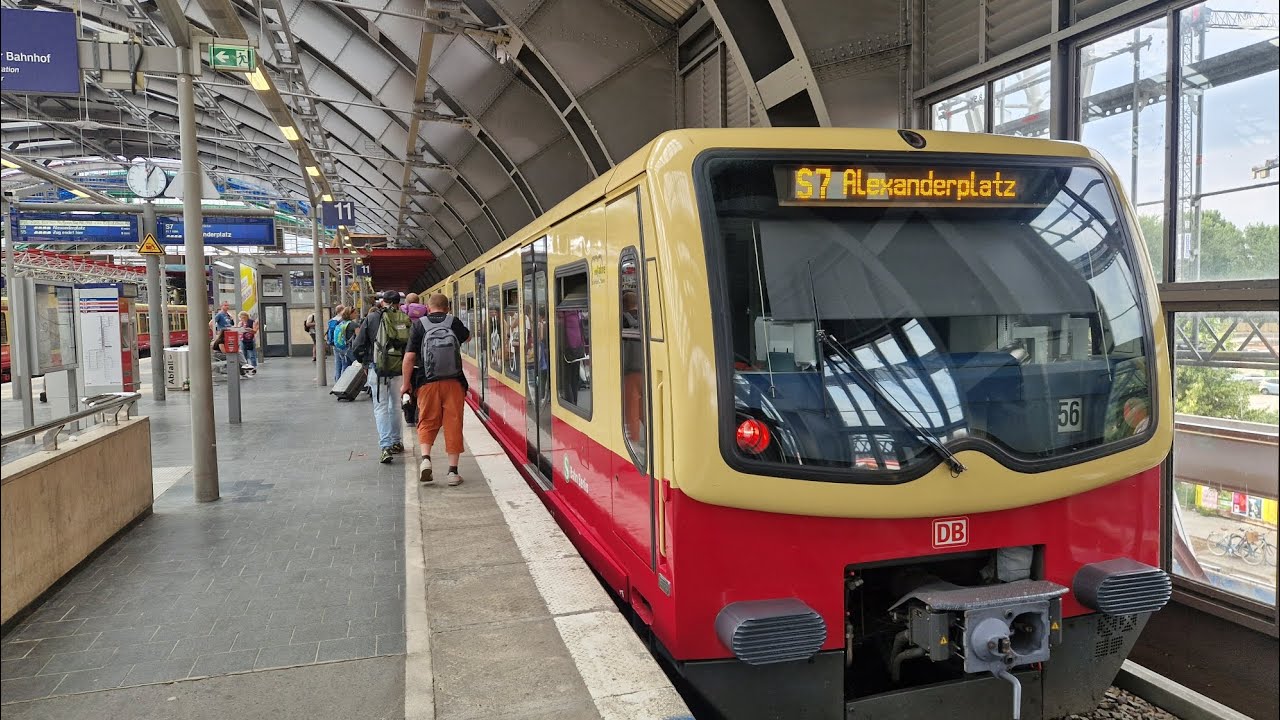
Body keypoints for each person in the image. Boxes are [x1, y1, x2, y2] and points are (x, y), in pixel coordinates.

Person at [401, 293, 470, 486]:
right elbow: (468, 337)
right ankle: (453, 472)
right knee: (453, 423)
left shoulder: (419, 325)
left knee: (427, 420)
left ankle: (425, 459)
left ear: (428, 308)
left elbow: (409, 358)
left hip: (426, 382)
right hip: (454, 382)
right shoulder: (453, 321)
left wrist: (406, 384)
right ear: (447, 308)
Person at [352, 291, 411, 463]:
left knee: (381, 407)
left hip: (377, 369)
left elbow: (358, 345)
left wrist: (364, 362)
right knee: (395, 405)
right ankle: (396, 442)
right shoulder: (403, 317)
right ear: (398, 302)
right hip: (397, 368)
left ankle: (385, 447)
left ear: (382, 301)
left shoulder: (371, 318)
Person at [326, 305, 346, 380]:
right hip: (342, 344)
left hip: (335, 343)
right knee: (344, 363)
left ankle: (337, 379)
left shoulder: (331, 320)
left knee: (337, 363)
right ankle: (343, 381)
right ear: (341, 310)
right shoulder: (342, 320)